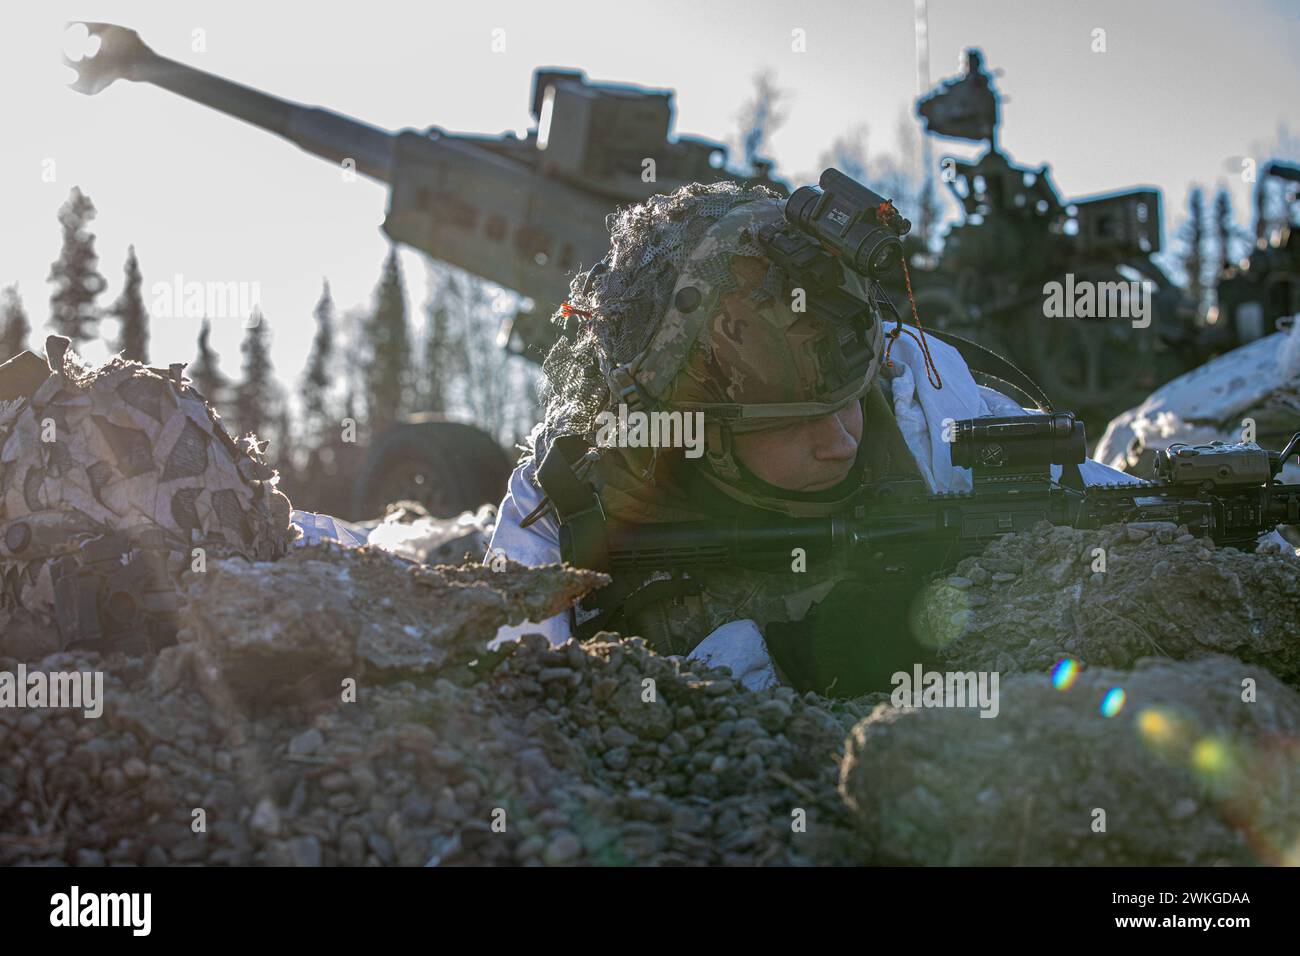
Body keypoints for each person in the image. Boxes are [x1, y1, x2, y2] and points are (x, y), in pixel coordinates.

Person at [488, 179, 1137, 694]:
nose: (841, 441)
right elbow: (520, 709)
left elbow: (1129, 521)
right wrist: (779, 666)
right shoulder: (575, 501)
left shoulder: (928, 407)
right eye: (796, 422)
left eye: (851, 402)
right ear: (697, 432)